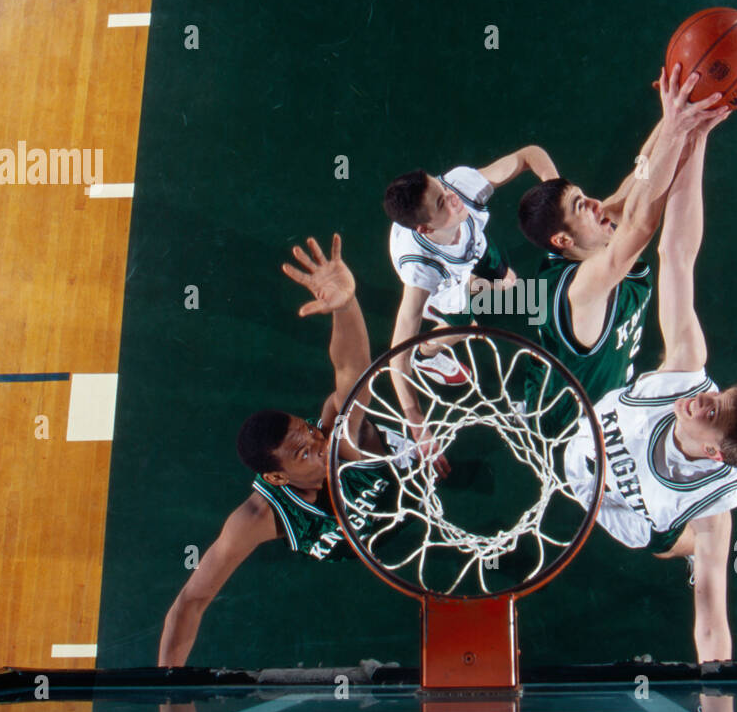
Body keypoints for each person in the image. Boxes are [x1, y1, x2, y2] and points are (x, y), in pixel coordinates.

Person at [562, 109, 737, 673]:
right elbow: (677, 254)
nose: (708, 398)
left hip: (624, 513)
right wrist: (694, 138)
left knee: (668, 541)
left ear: (713, 451)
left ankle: (682, 548)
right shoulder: (688, 373)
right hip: (593, 424)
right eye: (724, 395)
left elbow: (712, 617)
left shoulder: (710, 507)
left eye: (713, 413)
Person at [157, 234, 399, 670]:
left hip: (411, 493)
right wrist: (168, 693)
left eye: (308, 432)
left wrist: (345, 306)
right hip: (378, 552)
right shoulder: (258, 517)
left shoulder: (341, 434)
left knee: (346, 405)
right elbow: (191, 600)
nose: (319, 445)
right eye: (302, 454)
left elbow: (351, 367)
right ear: (277, 477)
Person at [517, 67, 730, 418]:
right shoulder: (582, 288)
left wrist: (676, 114)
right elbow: (639, 224)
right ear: (563, 239)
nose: (596, 204)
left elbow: (640, 175)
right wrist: (679, 130)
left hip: (589, 380)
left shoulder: (586, 236)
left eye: (583, 196)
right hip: (569, 426)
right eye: (580, 206)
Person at [383, 147, 557, 457]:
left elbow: (529, 155)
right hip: (446, 287)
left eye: (441, 188)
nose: (451, 197)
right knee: (469, 326)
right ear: (425, 228)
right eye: (441, 202)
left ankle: (478, 285)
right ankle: (429, 353)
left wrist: (554, 189)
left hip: (474, 248)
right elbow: (398, 355)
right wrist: (417, 424)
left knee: (509, 284)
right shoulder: (421, 271)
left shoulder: (461, 186)